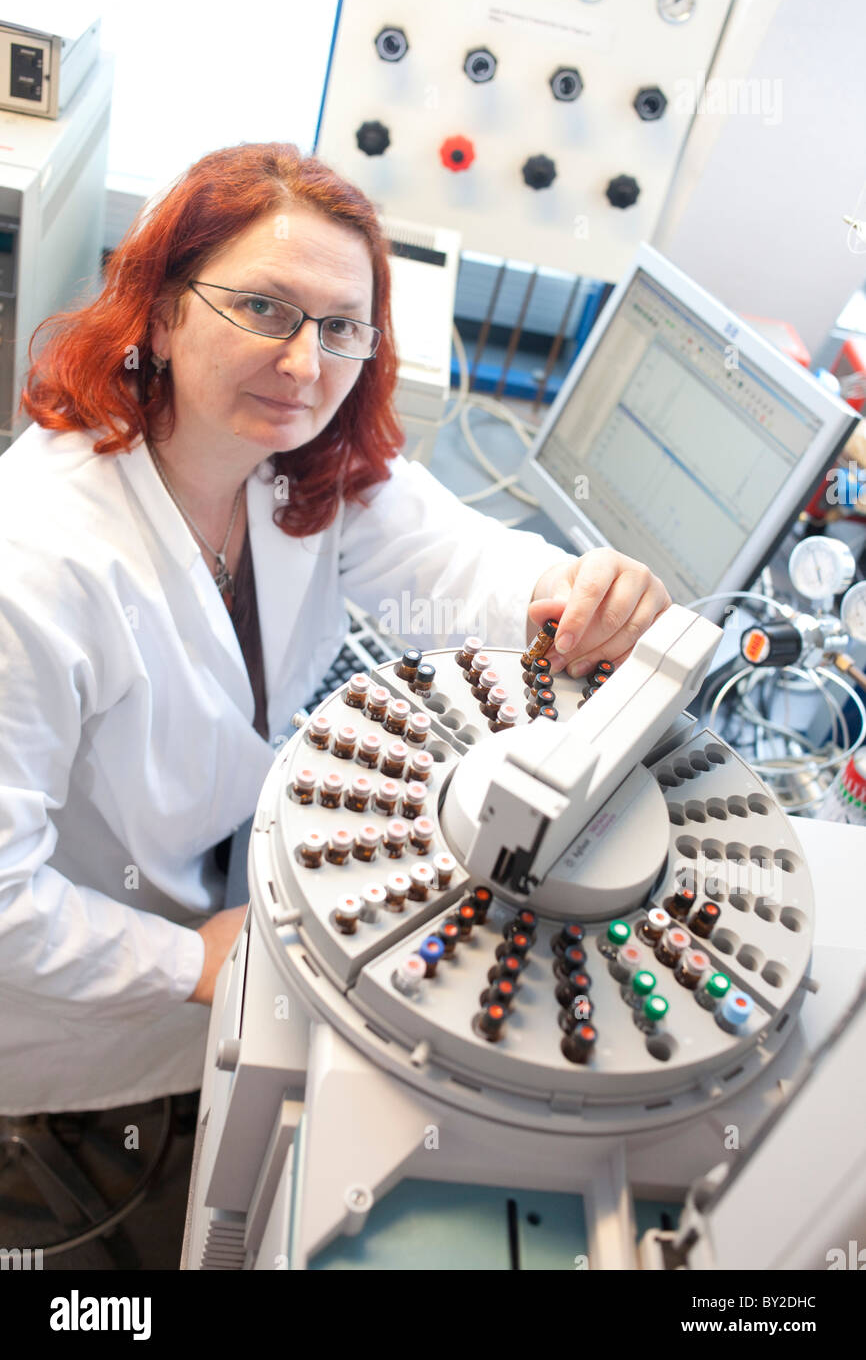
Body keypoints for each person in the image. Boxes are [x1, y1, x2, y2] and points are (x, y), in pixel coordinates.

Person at [0, 142, 670, 1114]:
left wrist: (574, 589)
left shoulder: (286, 462)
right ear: (162, 307)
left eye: (342, 327)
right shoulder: (37, 560)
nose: (305, 364)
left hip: (211, 862)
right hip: (78, 977)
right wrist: (190, 958)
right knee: (399, 1045)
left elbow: (453, 559)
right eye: (264, 308)